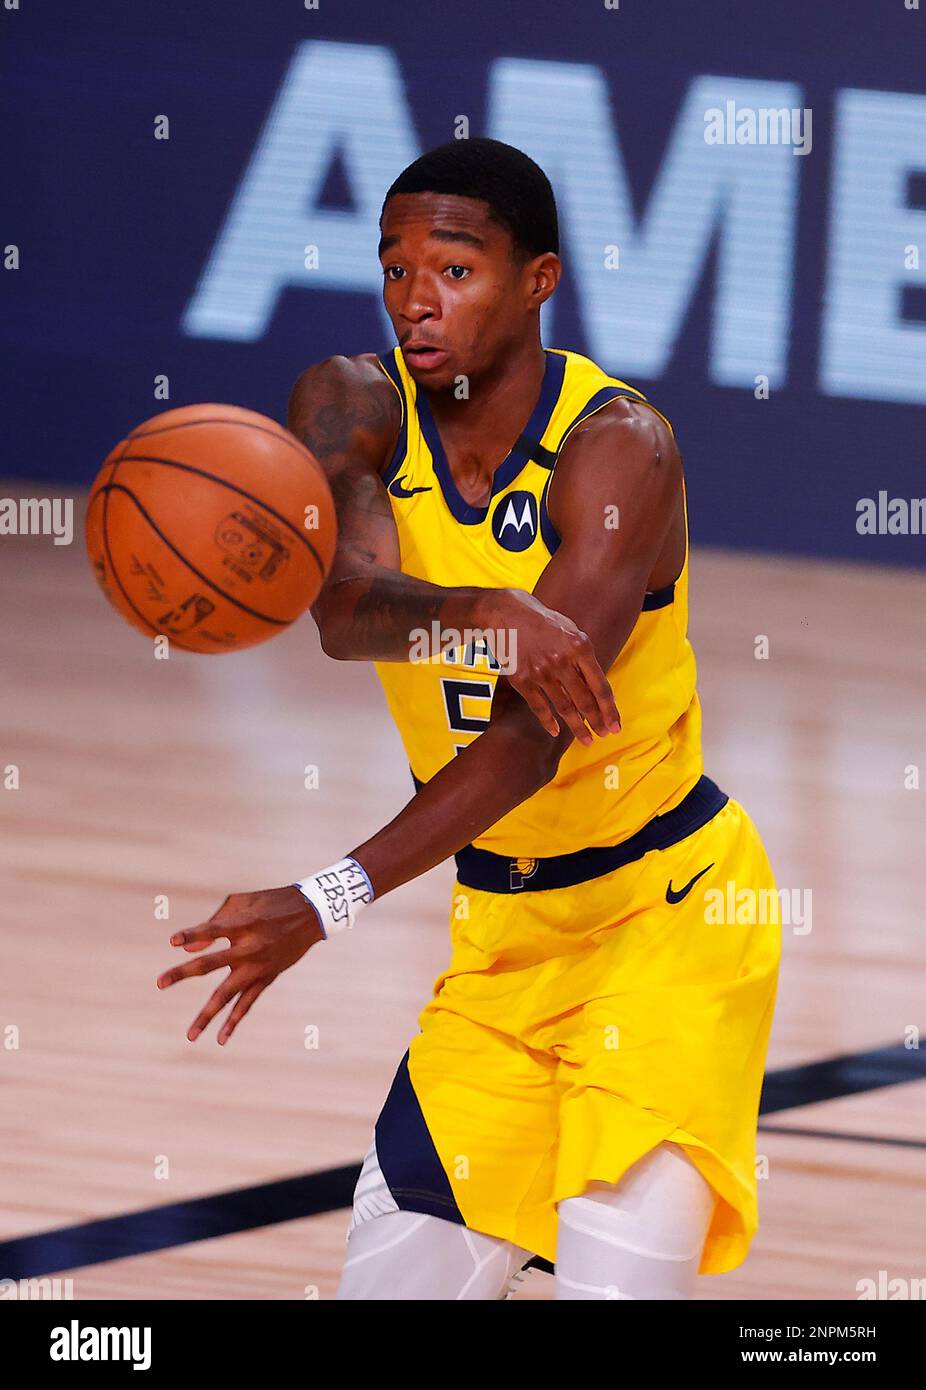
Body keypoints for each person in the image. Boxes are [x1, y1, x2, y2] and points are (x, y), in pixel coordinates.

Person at [157, 138, 781, 1301]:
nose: (414, 301)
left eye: (453, 269)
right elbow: (342, 610)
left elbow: (527, 739)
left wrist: (325, 897)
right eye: (394, 269)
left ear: (537, 279)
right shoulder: (349, 403)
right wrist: (492, 609)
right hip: (500, 941)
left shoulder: (617, 451)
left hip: (663, 926)